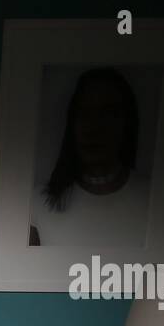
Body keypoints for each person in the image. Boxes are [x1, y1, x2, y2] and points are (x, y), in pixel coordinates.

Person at [28, 66, 148, 247]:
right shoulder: (38, 202)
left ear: (126, 123)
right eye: (84, 113)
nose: (93, 128)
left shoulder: (153, 200)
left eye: (107, 114)